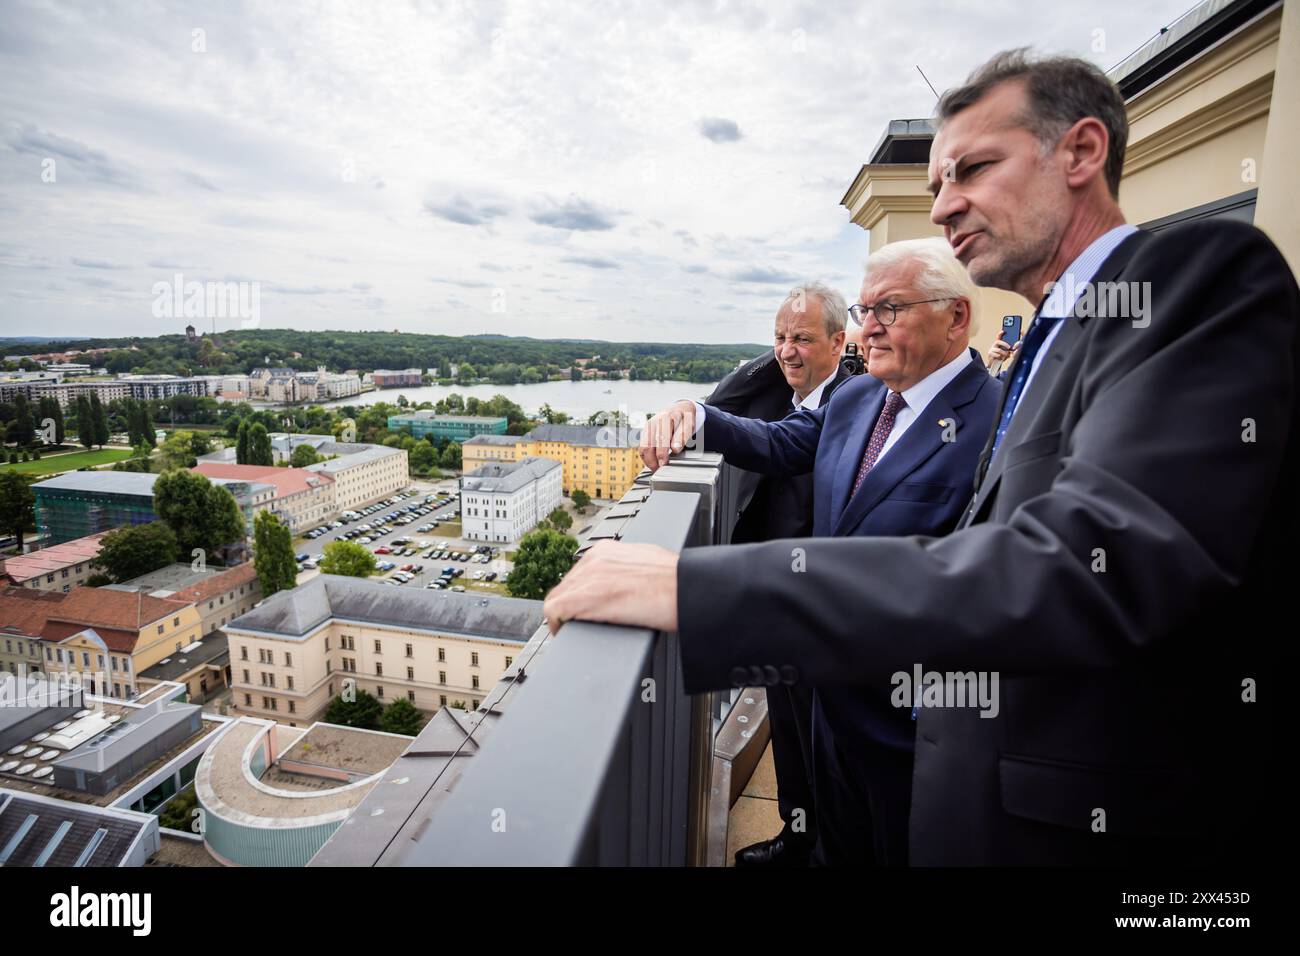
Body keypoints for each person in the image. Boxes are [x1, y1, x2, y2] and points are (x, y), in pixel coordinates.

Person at [544, 48, 1298, 865]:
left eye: (973, 168)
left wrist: (700, 589)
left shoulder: (1199, 279)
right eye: (937, 183)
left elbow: (1086, 565)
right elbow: (800, 448)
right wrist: (701, 416)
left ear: (1082, 152)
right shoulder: (1049, 338)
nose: (944, 207)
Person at [659, 236, 1000, 864]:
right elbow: (780, 444)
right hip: (829, 702)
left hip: (910, 725)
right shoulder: (859, 396)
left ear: (956, 317)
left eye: (888, 311)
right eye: (865, 311)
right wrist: (696, 416)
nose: (867, 330)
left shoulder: (996, 425)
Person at [709, 282, 851, 867]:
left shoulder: (854, 403)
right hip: (777, 600)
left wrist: (699, 418)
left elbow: (775, 446)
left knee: (826, 746)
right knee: (790, 734)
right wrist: (780, 354)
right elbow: (726, 394)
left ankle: (828, 848)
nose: (788, 352)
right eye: (779, 339)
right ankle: (798, 839)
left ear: (840, 343)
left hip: (823, 610)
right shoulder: (783, 396)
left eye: (803, 339)